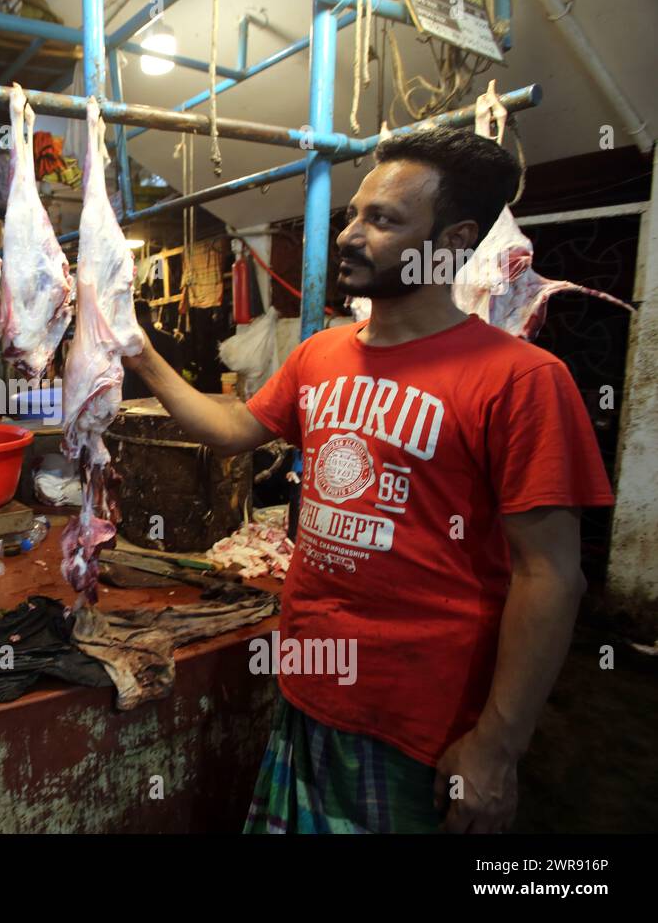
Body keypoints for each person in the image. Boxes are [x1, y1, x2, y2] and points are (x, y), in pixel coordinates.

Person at [123, 127, 613, 834]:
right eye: (353, 214)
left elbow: (551, 577)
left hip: (421, 718)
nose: (350, 235)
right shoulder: (319, 354)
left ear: (453, 240)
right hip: (309, 683)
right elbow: (235, 431)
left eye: (382, 220)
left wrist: (498, 746)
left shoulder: (524, 381)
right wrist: (141, 355)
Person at [121, 299, 181, 400]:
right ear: (149, 315)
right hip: (165, 400)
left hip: (133, 402)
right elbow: (178, 370)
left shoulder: (125, 344)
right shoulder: (168, 339)